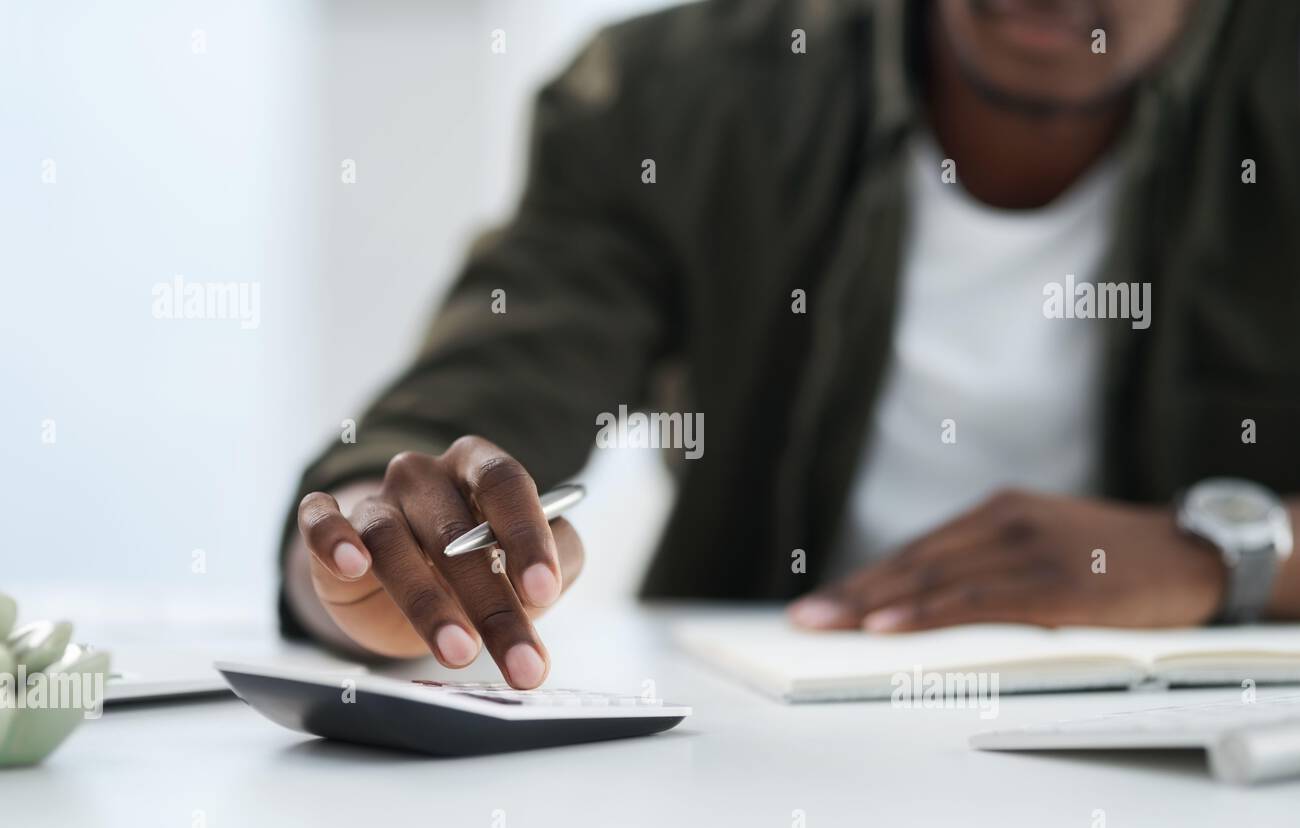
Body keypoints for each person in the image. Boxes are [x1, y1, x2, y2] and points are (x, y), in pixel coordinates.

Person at [282, 0, 1300, 689]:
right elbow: (474, 404)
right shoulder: (680, 95)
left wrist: (1226, 559)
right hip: (773, 751)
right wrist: (375, 557)